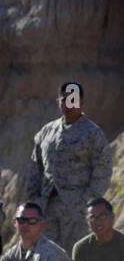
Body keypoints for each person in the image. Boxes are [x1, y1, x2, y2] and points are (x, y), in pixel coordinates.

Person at [26, 82, 112, 249]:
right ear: (58, 102)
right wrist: (34, 201)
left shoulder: (93, 133)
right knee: (46, 258)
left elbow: (102, 172)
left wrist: (85, 204)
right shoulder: (47, 131)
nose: (69, 104)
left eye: (74, 100)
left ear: (82, 102)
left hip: (77, 213)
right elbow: (34, 167)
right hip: (46, 209)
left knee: (75, 259)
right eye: (65, 100)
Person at [0, 202, 73, 261]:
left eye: (32, 221)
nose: (25, 225)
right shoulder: (10, 255)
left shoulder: (48, 253)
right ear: (15, 222)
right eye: (21, 220)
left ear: (41, 224)